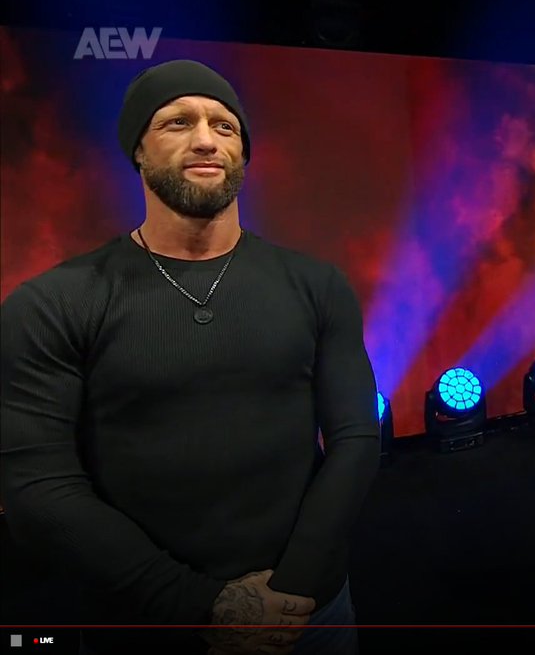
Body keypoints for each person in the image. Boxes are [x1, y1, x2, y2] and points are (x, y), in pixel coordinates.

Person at [0, 60, 380, 655]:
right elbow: (38, 487)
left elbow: (355, 438)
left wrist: (288, 595)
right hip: (147, 623)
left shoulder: (317, 285)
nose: (206, 139)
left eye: (225, 126)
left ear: (243, 154)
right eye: (178, 122)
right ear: (138, 149)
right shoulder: (52, 303)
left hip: (308, 614)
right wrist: (206, 607)